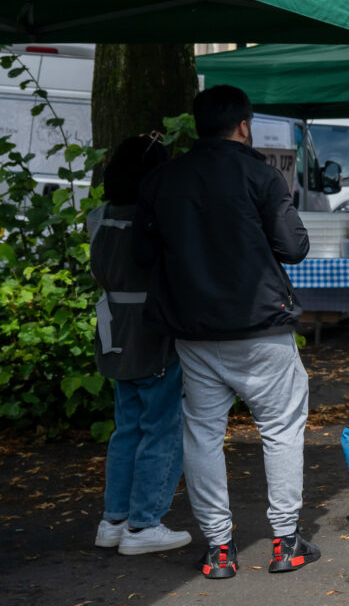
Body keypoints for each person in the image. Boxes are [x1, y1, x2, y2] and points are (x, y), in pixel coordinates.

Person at [135, 85, 316, 579]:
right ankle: (285, 541)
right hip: (259, 325)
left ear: (197, 126)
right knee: (280, 430)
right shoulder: (261, 175)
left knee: (202, 434)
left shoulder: (162, 179)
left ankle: (219, 549)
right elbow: (294, 247)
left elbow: (144, 255)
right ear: (243, 125)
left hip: (193, 330)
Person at [90, 135, 192, 556]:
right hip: (152, 330)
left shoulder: (100, 217)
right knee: (162, 429)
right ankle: (144, 523)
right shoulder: (155, 219)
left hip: (112, 330)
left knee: (126, 428)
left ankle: (114, 519)